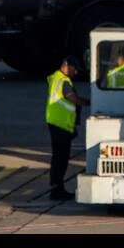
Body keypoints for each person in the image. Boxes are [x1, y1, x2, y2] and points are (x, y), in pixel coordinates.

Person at [45, 55, 88, 200]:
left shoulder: (57, 78)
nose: (75, 72)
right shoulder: (63, 81)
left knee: (59, 157)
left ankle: (56, 187)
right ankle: (57, 190)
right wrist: (89, 102)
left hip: (58, 124)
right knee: (60, 158)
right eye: (74, 69)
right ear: (66, 65)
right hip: (60, 124)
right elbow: (72, 99)